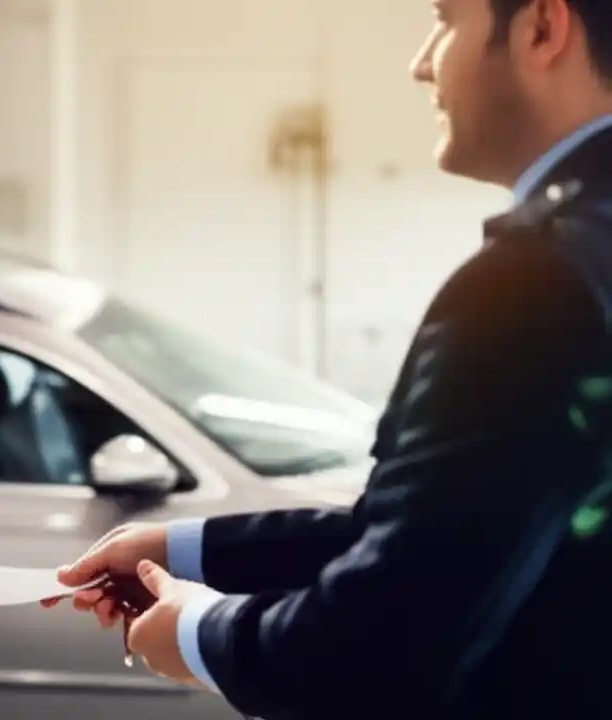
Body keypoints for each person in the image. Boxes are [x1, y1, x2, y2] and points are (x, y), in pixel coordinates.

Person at [47, 0, 612, 717]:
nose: (420, 62)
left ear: (540, 27)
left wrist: (196, 633)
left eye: (445, 19)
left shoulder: (534, 279)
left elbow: (380, 641)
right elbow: (438, 528)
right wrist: (182, 549)